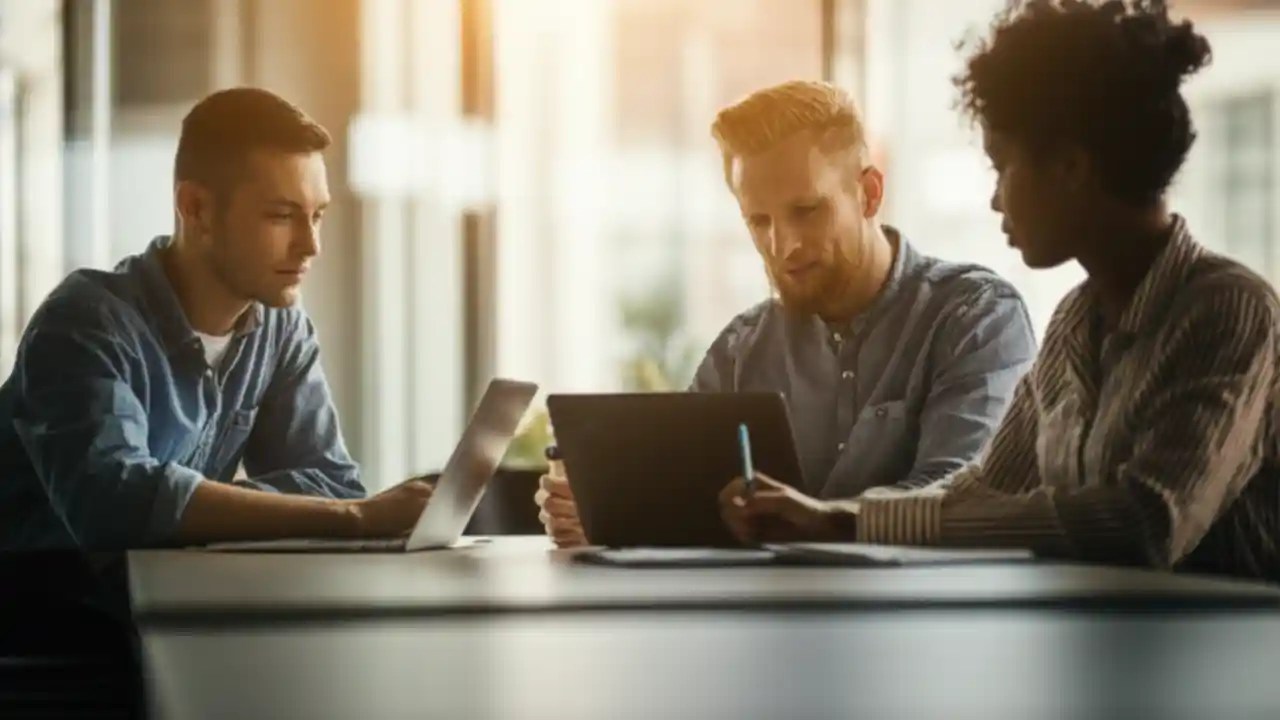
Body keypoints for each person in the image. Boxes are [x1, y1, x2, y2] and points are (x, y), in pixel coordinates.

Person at [721, 0, 1280, 582]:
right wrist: (830, 517)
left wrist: (843, 523)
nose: (995, 200)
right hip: (1110, 643)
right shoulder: (1074, 322)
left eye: (1001, 167)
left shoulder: (1228, 308)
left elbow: (1144, 522)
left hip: (1225, 653)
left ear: (1068, 168)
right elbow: (983, 490)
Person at [537, 80, 1037, 547]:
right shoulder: (742, 349)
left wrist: (814, 518)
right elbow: (683, 498)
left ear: (869, 193)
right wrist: (608, 515)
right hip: (766, 622)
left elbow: (957, 499)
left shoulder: (976, 319)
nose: (783, 246)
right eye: (759, 221)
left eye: (807, 210)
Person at [0, 88, 432, 551]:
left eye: (318, 216)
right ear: (196, 209)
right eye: (282, 216)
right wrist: (349, 517)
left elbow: (330, 483)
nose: (311, 246)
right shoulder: (83, 323)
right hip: (48, 615)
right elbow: (113, 503)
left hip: (174, 610)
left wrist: (196, 505)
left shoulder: (279, 328)